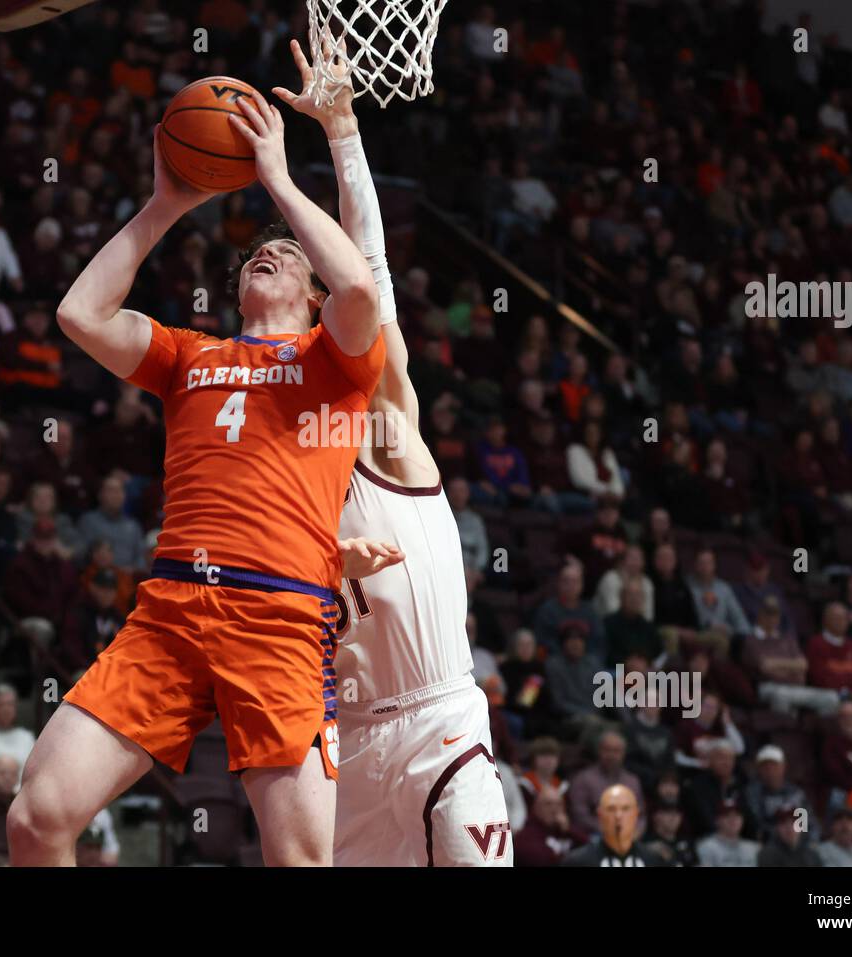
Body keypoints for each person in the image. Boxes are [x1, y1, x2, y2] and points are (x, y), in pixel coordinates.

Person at [9, 58, 386, 867]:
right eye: (259, 250)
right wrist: (165, 203)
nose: (268, 253)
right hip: (172, 611)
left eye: (285, 254)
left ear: (310, 294)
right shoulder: (189, 354)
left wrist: (279, 178)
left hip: (280, 617)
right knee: (36, 816)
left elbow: (359, 286)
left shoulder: (336, 357)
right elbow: (79, 313)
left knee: (301, 860)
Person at [291, 48, 510, 866]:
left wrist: (343, 134)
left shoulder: (381, 421)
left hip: (437, 721)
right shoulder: (277, 469)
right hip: (344, 745)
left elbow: (369, 279)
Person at [565, 783, 663, 866]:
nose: (618, 816)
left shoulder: (654, 860)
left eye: (625, 808)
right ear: (600, 814)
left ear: (636, 814)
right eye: (611, 809)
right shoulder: (577, 862)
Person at [696, 800, 759, 866]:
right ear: (717, 820)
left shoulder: (753, 848)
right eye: (727, 815)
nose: (733, 819)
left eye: (737, 815)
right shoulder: (706, 847)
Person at [757, 806, 822, 866]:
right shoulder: (767, 855)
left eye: (794, 822)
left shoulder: (812, 856)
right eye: (783, 822)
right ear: (776, 828)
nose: (789, 827)